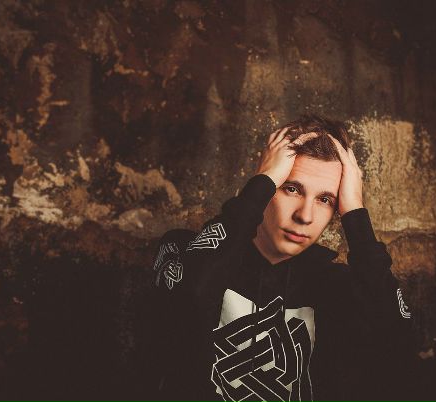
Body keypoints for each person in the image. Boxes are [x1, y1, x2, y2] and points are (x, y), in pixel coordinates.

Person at [144, 114, 415, 401]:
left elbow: (398, 347)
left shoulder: (335, 286)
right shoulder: (182, 249)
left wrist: (356, 214)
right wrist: (261, 183)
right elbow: (189, 299)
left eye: (325, 200)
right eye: (291, 189)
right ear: (265, 186)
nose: (305, 216)